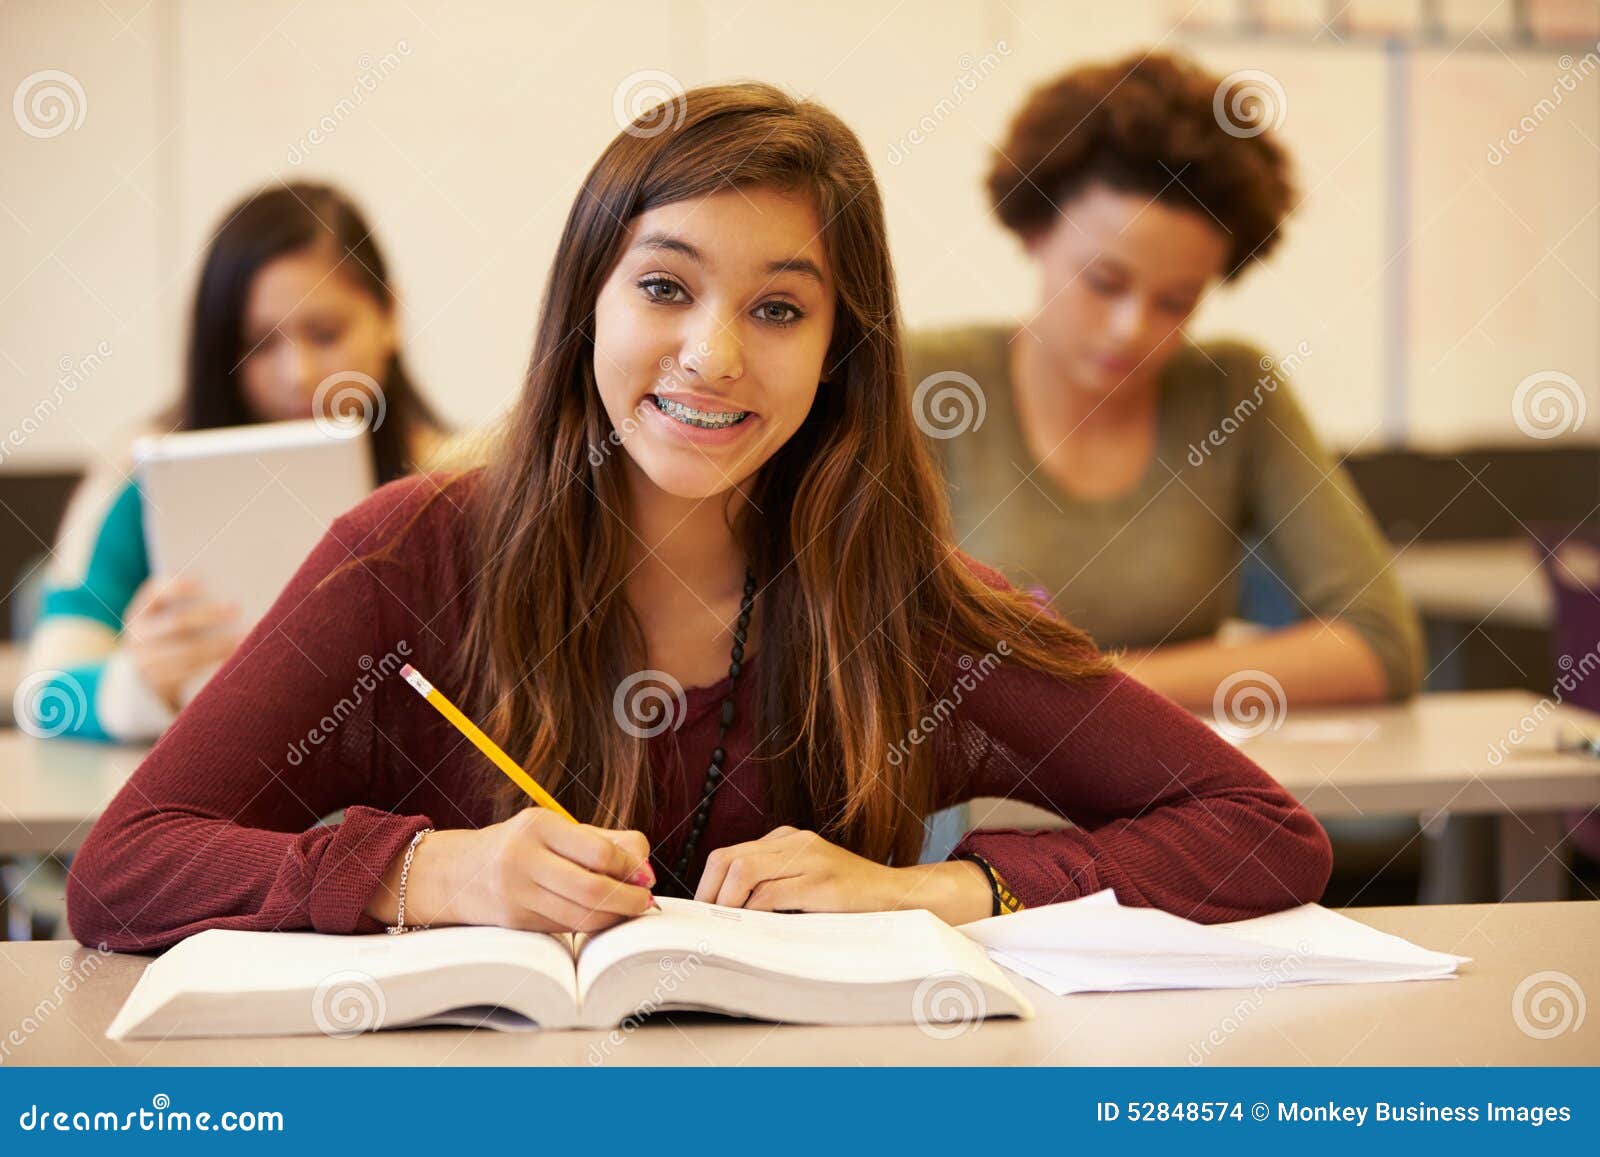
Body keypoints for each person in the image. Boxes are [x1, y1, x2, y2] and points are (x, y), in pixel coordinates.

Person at [67, 82, 1330, 953]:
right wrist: (428, 871)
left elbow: (1263, 834)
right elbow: (125, 869)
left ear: (842, 348)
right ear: (589, 306)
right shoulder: (407, 555)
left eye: (781, 309)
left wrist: (939, 889)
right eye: (665, 285)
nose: (712, 355)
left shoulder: (907, 602)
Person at [907, 52, 1424, 710]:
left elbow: (1380, 642)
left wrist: (1089, 692)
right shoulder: (925, 379)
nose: (1131, 328)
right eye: (1103, 282)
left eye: (1176, 301)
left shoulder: (1234, 392)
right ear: (1035, 229)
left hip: (1174, 794)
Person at [22, 182, 447, 742]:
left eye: (326, 334)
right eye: (259, 344)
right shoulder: (143, 482)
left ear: (388, 316)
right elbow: (44, 699)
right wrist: (140, 684)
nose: (298, 375)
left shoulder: (457, 479)